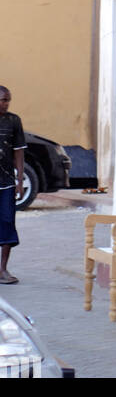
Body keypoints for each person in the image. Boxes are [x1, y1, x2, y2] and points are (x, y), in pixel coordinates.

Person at [0, 87, 25, 285]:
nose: (5, 104)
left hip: (6, 183)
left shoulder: (14, 121)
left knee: (8, 223)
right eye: (2, 100)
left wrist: (19, 181)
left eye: (8, 100)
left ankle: (3, 270)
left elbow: (18, 152)